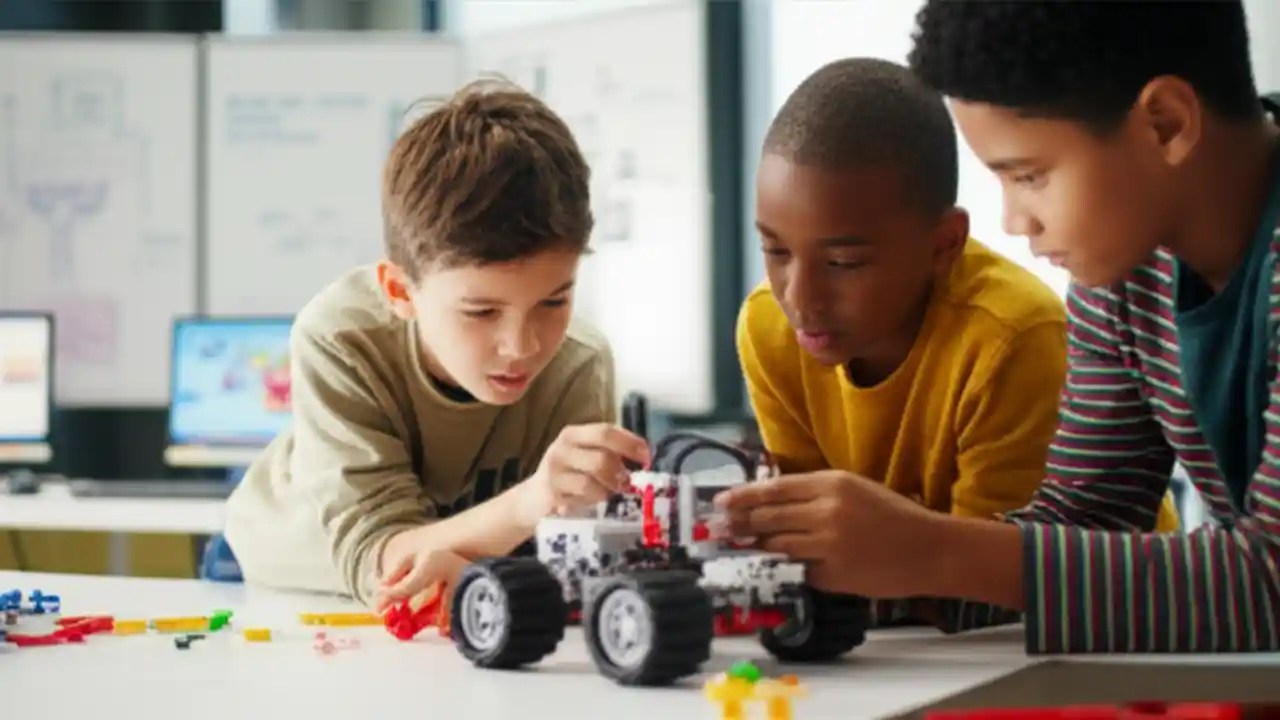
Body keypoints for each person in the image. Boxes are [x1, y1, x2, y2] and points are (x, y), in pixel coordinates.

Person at [719, 0, 1280, 653]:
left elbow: (1269, 579)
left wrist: (933, 550)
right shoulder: (1129, 269)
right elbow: (1087, 526)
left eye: (1031, 176)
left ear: (1165, 123)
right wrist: (820, 565)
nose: (1015, 221)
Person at [736, 57, 1179, 625]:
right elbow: (809, 555)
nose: (799, 296)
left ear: (944, 245)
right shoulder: (769, 326)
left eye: (843, 261)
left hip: (1076, 651)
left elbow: (994, 594)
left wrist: (904, 555)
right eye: (775, 251)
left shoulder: (1015, 336)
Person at [223, 78, 648, 609]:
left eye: (554, 302)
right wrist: (531, 503)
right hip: (291, 574)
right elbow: (381, 559)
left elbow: (569, 551)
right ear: (401, 291)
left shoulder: (580, 363)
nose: (521, 345)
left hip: (468, 572)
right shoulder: (340, 337)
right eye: (481, 312)